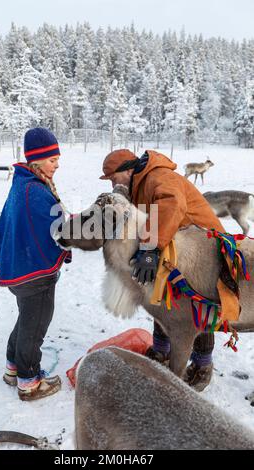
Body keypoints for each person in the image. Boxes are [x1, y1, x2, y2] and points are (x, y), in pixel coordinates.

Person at [100, 148, 225, 391]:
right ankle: (161, 350)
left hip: (204, 251)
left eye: (115, 178)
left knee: (195, 309)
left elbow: (171, 205)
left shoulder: (158, 177)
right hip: (176, 248)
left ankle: (202, 364)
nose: (115, 184)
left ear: (128, 170)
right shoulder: (139, 182)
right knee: (161, 296)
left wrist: (151, 248)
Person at [0, 128, 71, 401]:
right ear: (37, 160)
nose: (57, 165)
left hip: (20, 269)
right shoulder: (34, 191)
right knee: (35, 326)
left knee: (26, 320)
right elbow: (61, 230)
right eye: (52, 160)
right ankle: (29, 382)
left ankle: (12, 368)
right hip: (34, 274)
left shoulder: (23, 181)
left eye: (57, 159)